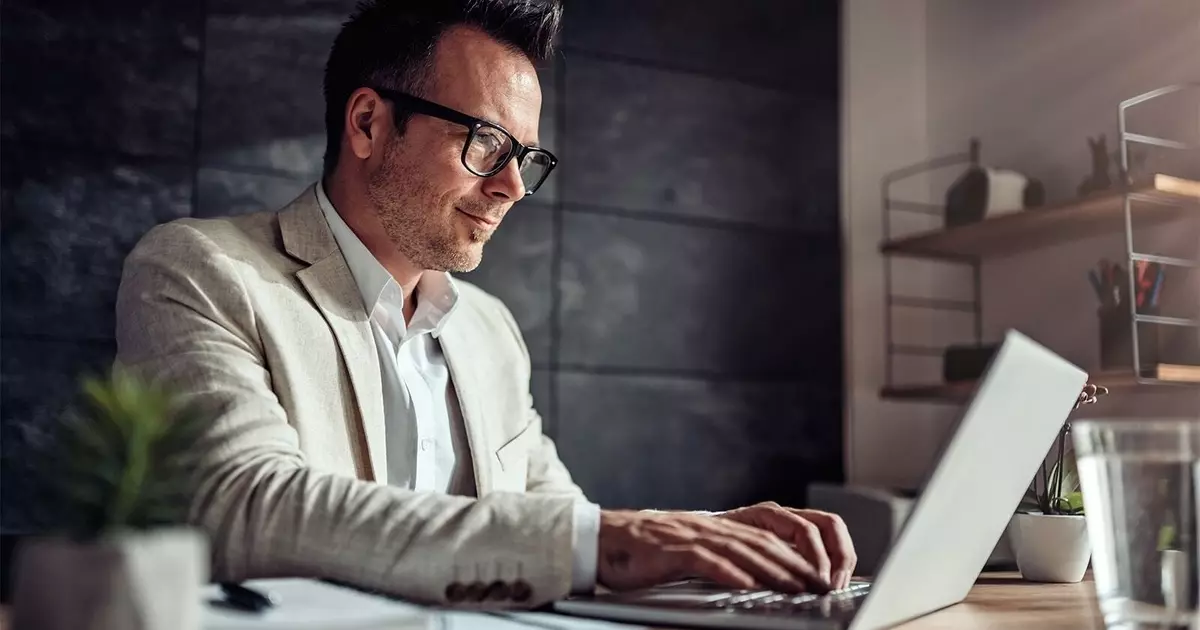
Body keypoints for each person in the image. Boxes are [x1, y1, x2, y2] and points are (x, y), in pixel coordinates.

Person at [113, 0, 854, 607]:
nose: (512, 187)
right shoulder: (201, 269)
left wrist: (709, 541)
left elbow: (556, 521)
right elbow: (242, 508)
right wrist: (620, 541)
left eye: (526, 158)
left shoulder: (489, 332)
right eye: (486, 143)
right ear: (369, 123)